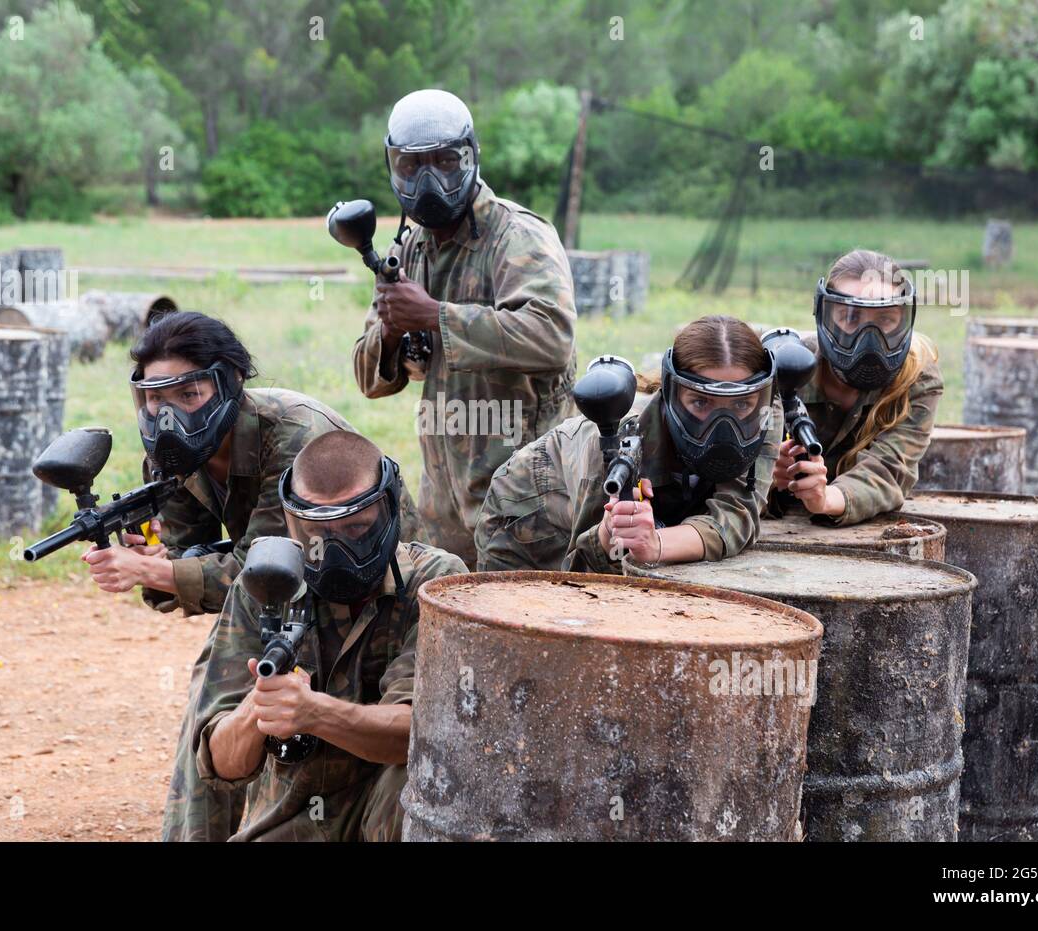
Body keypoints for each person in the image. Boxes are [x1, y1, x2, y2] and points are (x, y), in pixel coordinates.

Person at [78, 309, 418, 842]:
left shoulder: (294, 437)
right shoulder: (172, 459)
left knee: (396, 730)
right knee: (224, 715)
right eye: (153, 399)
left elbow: (254, 563)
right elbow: (193, 563)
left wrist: (153, 570)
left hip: (383, 581)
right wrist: (155, 561)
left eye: (187, 395)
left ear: (230, 383)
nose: (168, 416)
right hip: (281, 584)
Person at [189, 431, 467, 841]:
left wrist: (313, 712)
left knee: (424, 772)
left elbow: (419, 733)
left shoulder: (435, 584)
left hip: (389, 822)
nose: (335, 554)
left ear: (387, 509)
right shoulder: (263, 588)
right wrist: (258, 710)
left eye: (356, 530)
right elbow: (220, 764)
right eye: (317, 535)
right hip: (291, 826)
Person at [352, 88, 577, 566]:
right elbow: (368, 380)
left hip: (527, 503)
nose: (428, 179)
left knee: (524, 630)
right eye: (412, 166)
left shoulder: (517, 235)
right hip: (445, 508)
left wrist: (434, 315)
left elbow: (552, 336)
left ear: (470, 157)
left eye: (445, 161)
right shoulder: (408, 251)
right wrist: (394, 330)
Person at [475, 315, 783, 573]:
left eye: (740, 405)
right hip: (528, 517)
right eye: (701, 402)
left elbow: (737, 514)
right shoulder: (617, 440)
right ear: (672, 395)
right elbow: (587, 569)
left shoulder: (765, 412)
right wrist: (618, 535)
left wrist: (658, 543)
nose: (722, 425)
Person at [769, 249, 942, 525]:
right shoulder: (788, 370)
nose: (868, 340)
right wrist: (767, 472)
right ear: (825, 317)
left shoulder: (917, 379)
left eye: (885, 319)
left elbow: (887, 471)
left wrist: (825, 499)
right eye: (850, 318)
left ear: (904, 321)